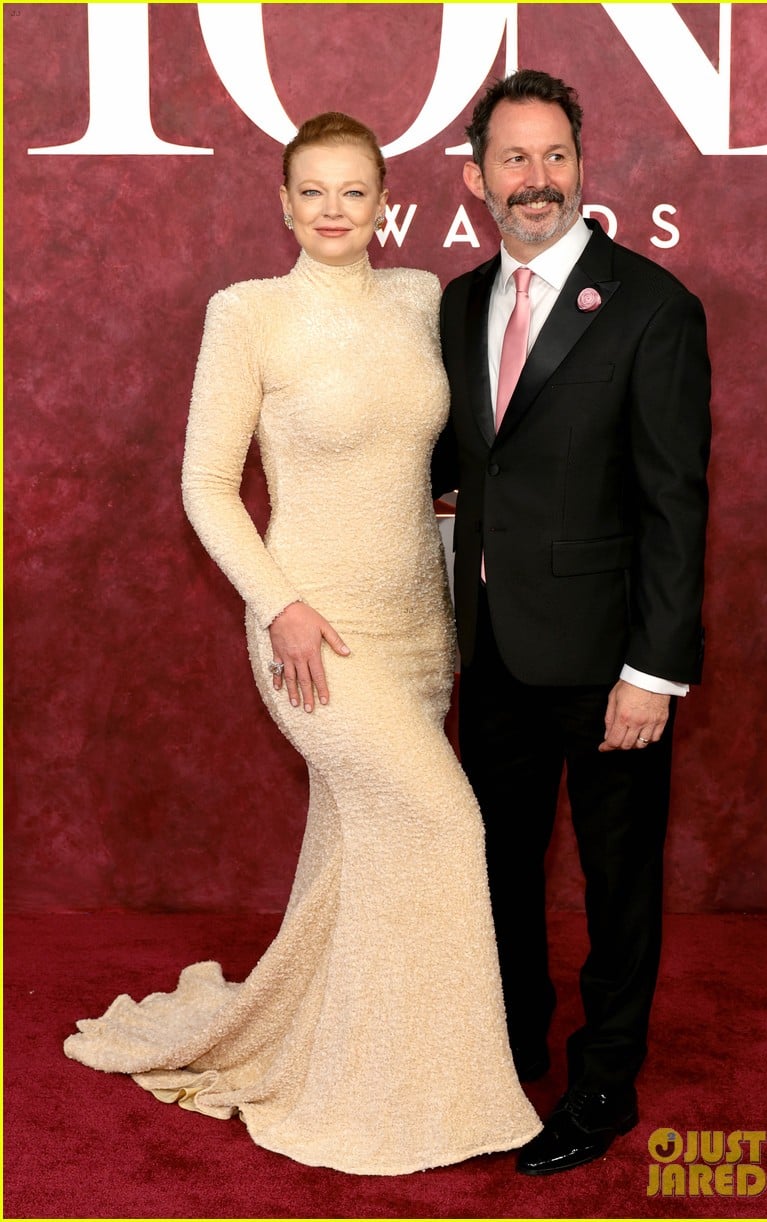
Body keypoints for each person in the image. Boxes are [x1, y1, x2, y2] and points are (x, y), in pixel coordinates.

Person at [64, 112, 541, 1175]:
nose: (333, 211)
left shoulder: (421, 300)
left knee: (362, 852)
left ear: (385, 202)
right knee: (441, 820)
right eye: (311, 192)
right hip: (311, 633)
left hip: (421, 629)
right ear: (284, 204)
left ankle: (346, 1047)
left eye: (353, 192)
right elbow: (203, 485)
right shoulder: (249, 314)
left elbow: (446, 452)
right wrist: (277, 602)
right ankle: (421, 1090)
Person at [432, 71, 711, 1175]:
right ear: (475, 178)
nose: (535, 180)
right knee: (496, 865)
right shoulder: (458, 304)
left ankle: (603, 1080)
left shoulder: (651, 307)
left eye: (554, 157)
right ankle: (511, 1044)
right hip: (492, 649)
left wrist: (655, 670)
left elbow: (673, 505)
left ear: (582, 168)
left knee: (616, 878)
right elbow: (463, 464)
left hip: (610, 667)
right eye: (513, 159)